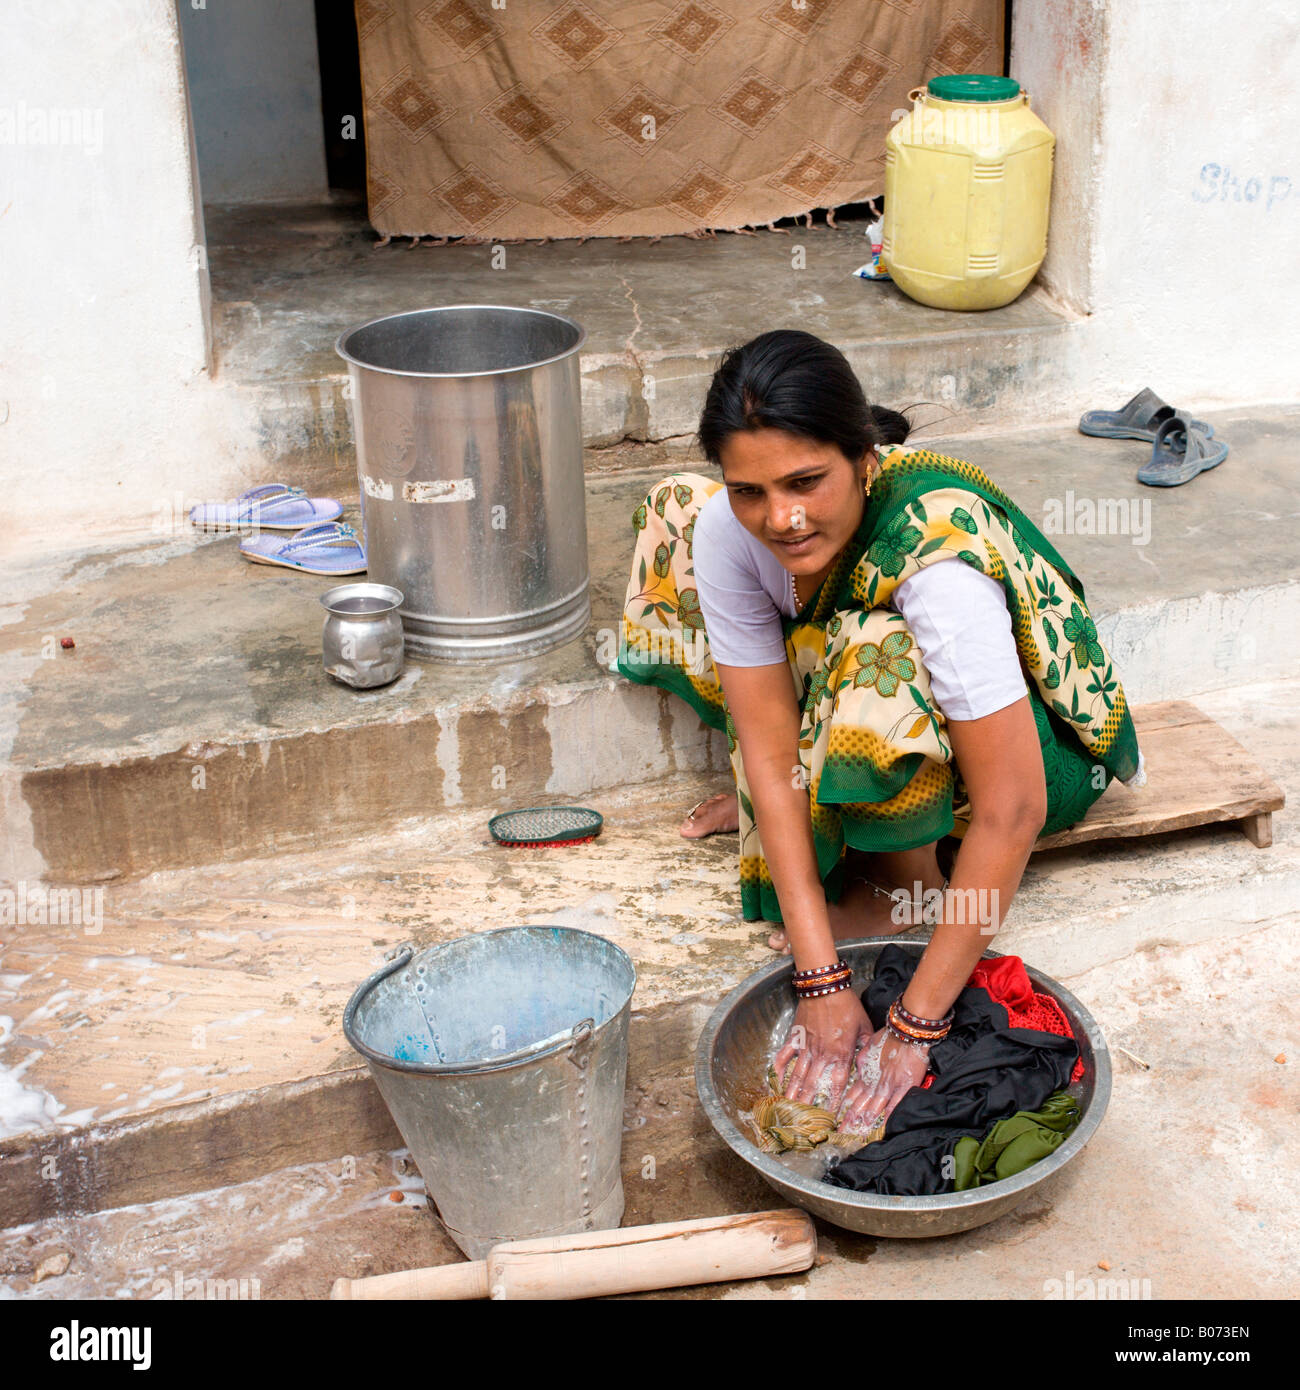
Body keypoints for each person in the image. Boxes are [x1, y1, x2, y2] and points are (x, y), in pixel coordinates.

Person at [615, 330, 1144, 1136]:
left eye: (806, 482)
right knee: (673, 514)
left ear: (864, 458)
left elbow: (1015, 810)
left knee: (875, 653)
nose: (781, 518)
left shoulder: (937, 571)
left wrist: (915, 1024)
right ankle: (819, 791)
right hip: (864, 707)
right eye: (751, 489)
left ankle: (911, 874)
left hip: (1027, 766)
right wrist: (820, 976)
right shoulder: (734, 525)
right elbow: (765, 742)